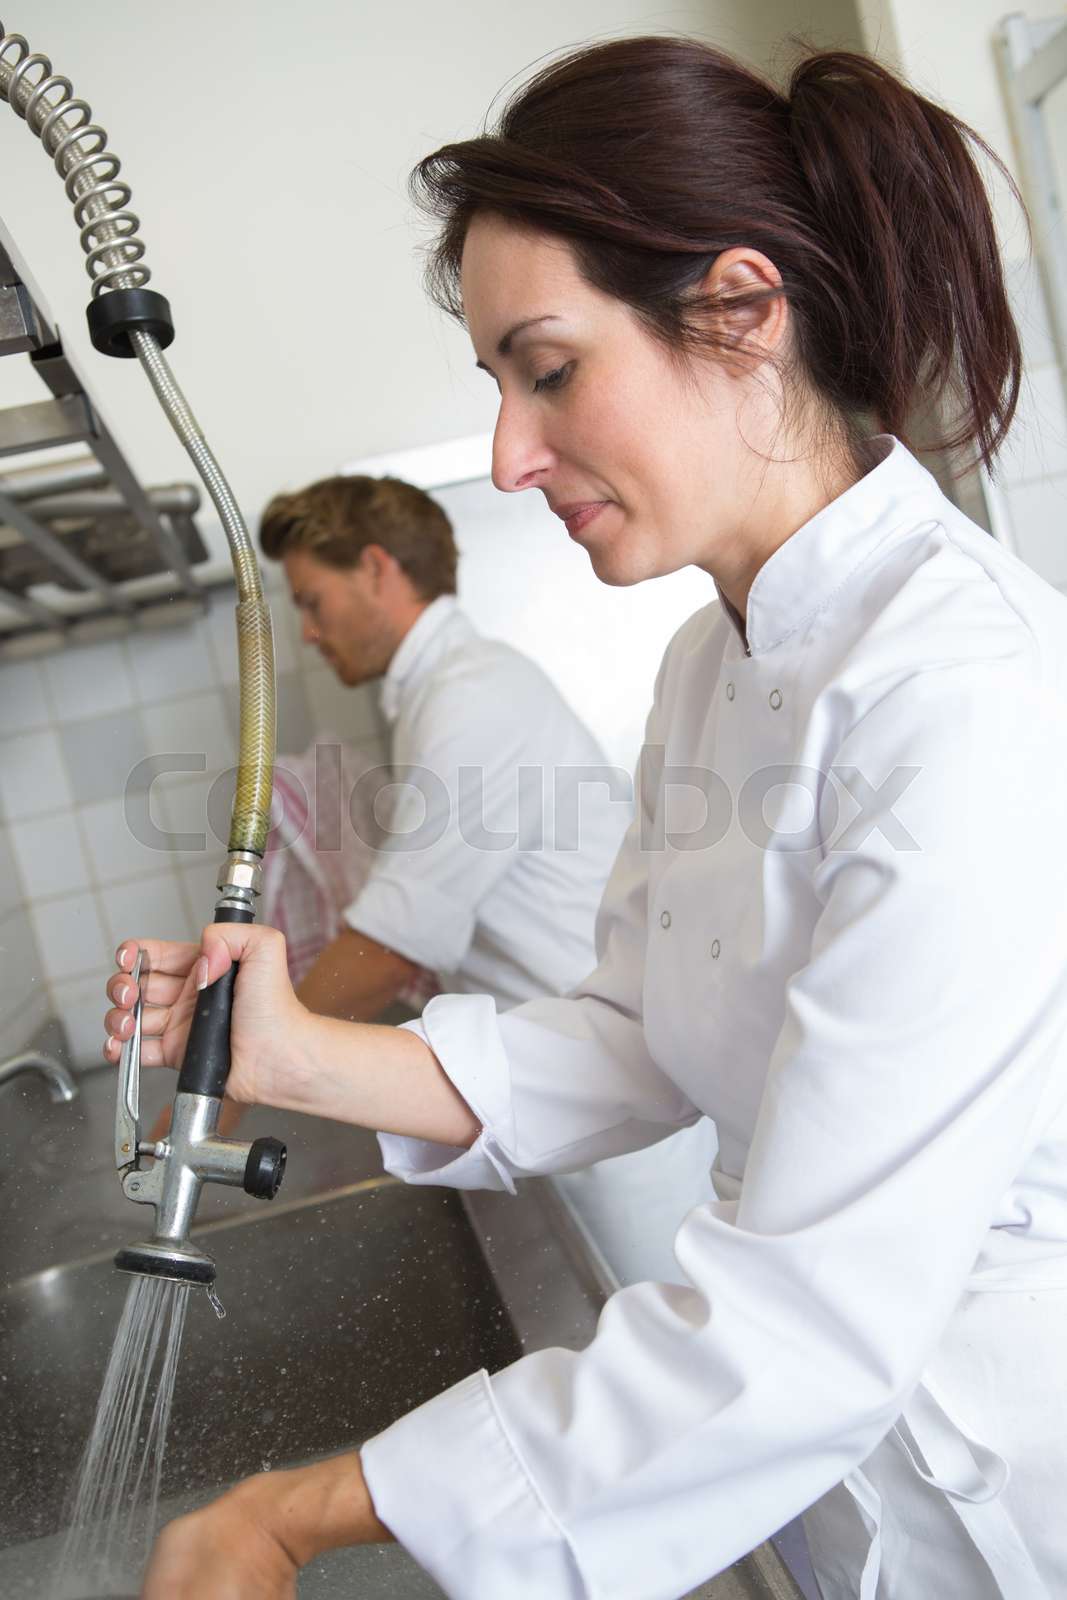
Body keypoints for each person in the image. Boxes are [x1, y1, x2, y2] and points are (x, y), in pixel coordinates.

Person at [103, 35, 1067, 1600]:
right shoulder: (713, 652)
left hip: (1002, 1489)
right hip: (834, 1474)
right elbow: (636, 1026)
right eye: (495, 387)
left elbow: (811, 1323)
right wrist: (293, 1054)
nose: (505, 454)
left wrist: (299, 1508)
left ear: (739, 312)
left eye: (545, 370)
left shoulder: (956, 693)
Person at [264, 471, 719, 1284]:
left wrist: (235, 1071)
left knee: (663, 1361)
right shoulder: (444, 694)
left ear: (376, 568)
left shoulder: (473, 696)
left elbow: (392, 946)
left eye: (311, 600)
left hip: (617, 1123)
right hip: (576, 1092)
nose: (306, 632)